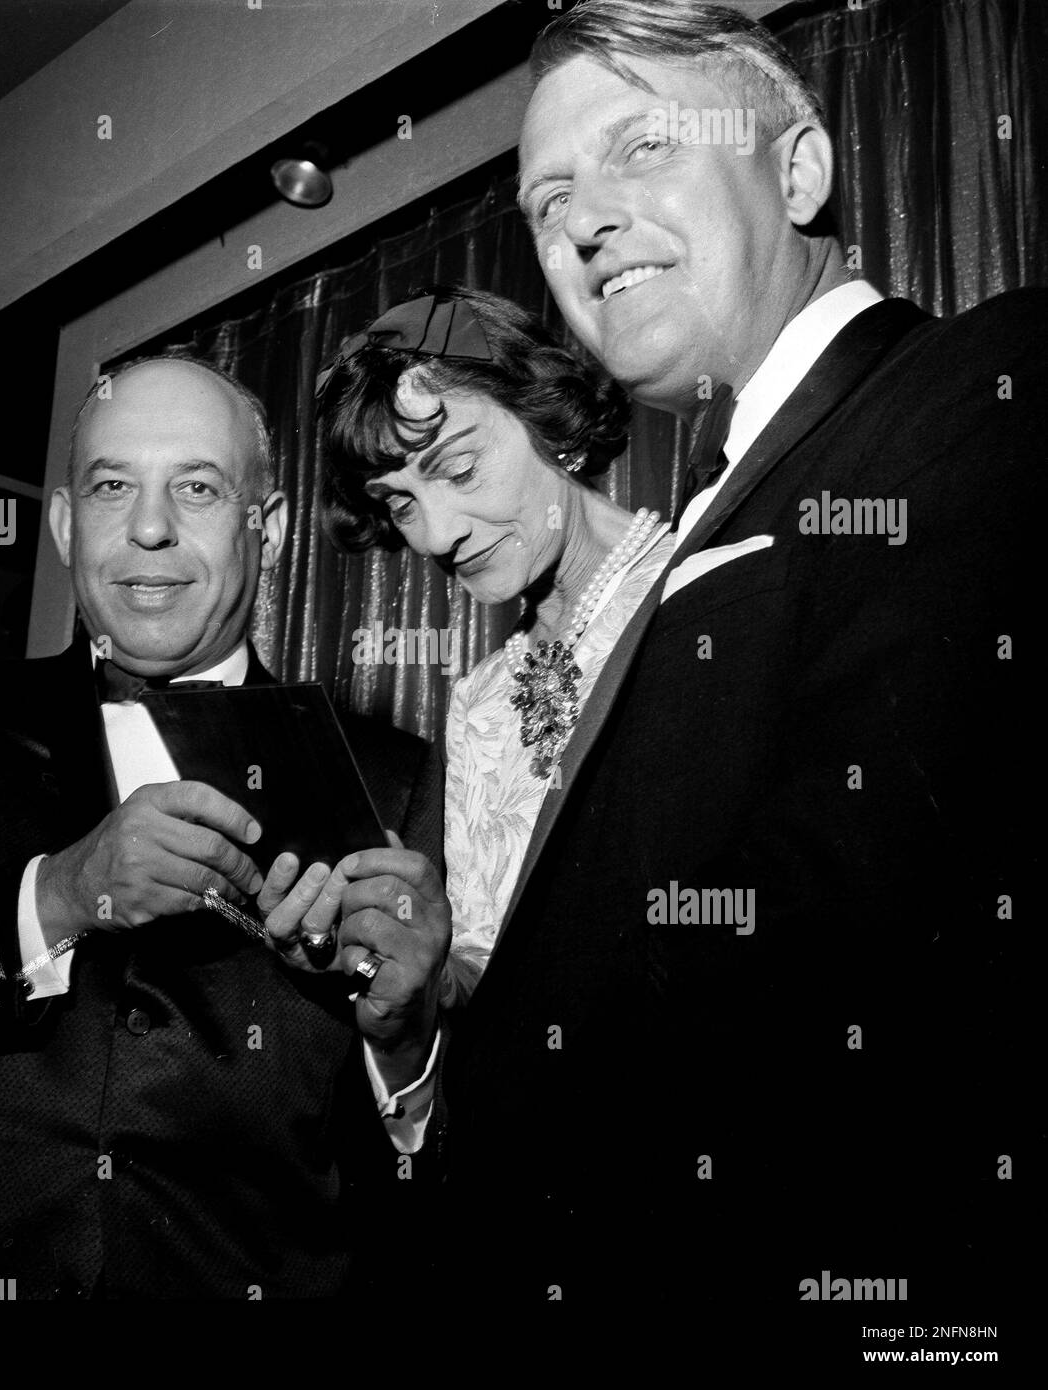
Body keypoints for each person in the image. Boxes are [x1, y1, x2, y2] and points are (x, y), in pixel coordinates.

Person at [383, 0, 1039, 1308]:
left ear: (795, 169)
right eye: (546, 197)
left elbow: (854, 927)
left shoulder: (982, 385)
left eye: (639, 150)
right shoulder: (706, 503)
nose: (579, 220)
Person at [0, 350, 449, 1300]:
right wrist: (56, 892)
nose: (151, 529)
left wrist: (406, 1043)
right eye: (112, 486)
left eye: (198, 488)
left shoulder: (393, 777)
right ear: (62, 522)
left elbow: (421, 1199)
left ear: (274, 528)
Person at [318, 285, 675, 1006]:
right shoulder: (476, 701)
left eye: (456, 468)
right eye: (398, 500)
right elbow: (466, 981)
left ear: (547, 418)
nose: (437, 533)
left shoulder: (698, 598)